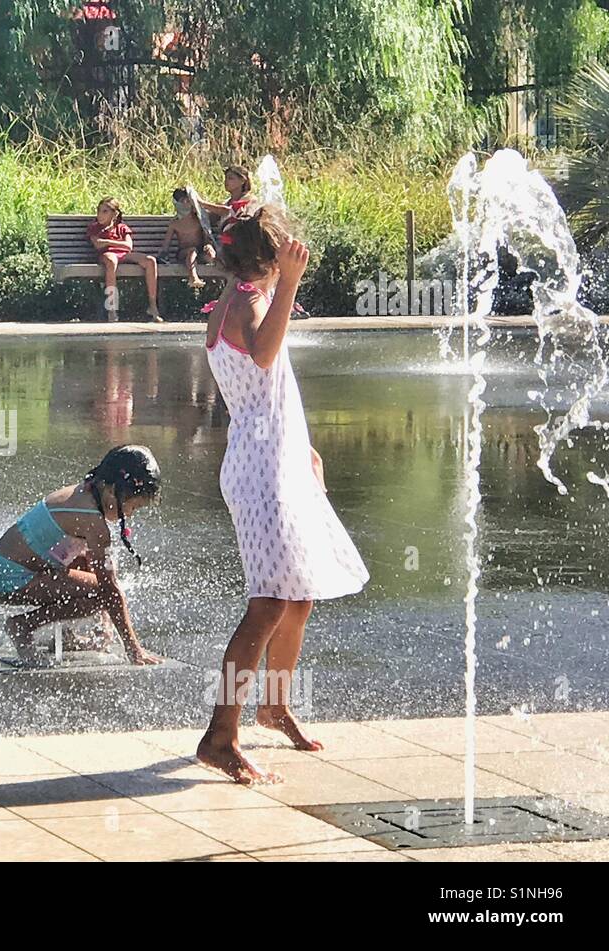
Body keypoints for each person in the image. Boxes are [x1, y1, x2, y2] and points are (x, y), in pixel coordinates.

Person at [197, 205, 369, 785]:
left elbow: (271, 387)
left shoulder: (239, 297)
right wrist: (291, 284)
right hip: (262, 473)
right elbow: (266, 357)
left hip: (275, 459)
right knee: (269, 603)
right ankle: (220, 735)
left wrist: (307, 448)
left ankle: (273, 706)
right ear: (269, 260)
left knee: (298, 598)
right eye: (286, 254)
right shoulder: (249, 303)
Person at [0, 445, 163, 667]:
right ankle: (23, 625)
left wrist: (105, 626)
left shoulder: (83, 493)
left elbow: (93, 564)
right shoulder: (93, 523)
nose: (128, 514)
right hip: (11, 579)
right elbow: (110, 589)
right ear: (112, 491)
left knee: (87, 563)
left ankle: (67, 637)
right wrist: (133, 649)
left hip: (2, 567)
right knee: (101, 594)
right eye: (131, 507)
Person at [86, 198, 162, 322]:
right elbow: (98, 245)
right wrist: (116, 243)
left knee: (151, 261)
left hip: (124, 254)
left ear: (114, 214)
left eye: (105, 211)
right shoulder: (95, 228)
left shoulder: (121, 227)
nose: (100, 215)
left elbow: (128, 246)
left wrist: (107, 241)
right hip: (107, 255)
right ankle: (112, 308)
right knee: (111, 261)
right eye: (99, 211)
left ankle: (153, 306)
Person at [158, 188, 216, 289]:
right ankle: (193, 277)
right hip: (183, 253)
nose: (185, 203)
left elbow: (207, 237)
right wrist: (163, 255)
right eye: (182, 201)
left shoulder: (199, 220)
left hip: (200, 251)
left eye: (187, 200)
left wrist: (209, 245)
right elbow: (166, 245)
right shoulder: (174, 224)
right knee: (191, 251)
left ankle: (214, 288)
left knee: (210, 255)